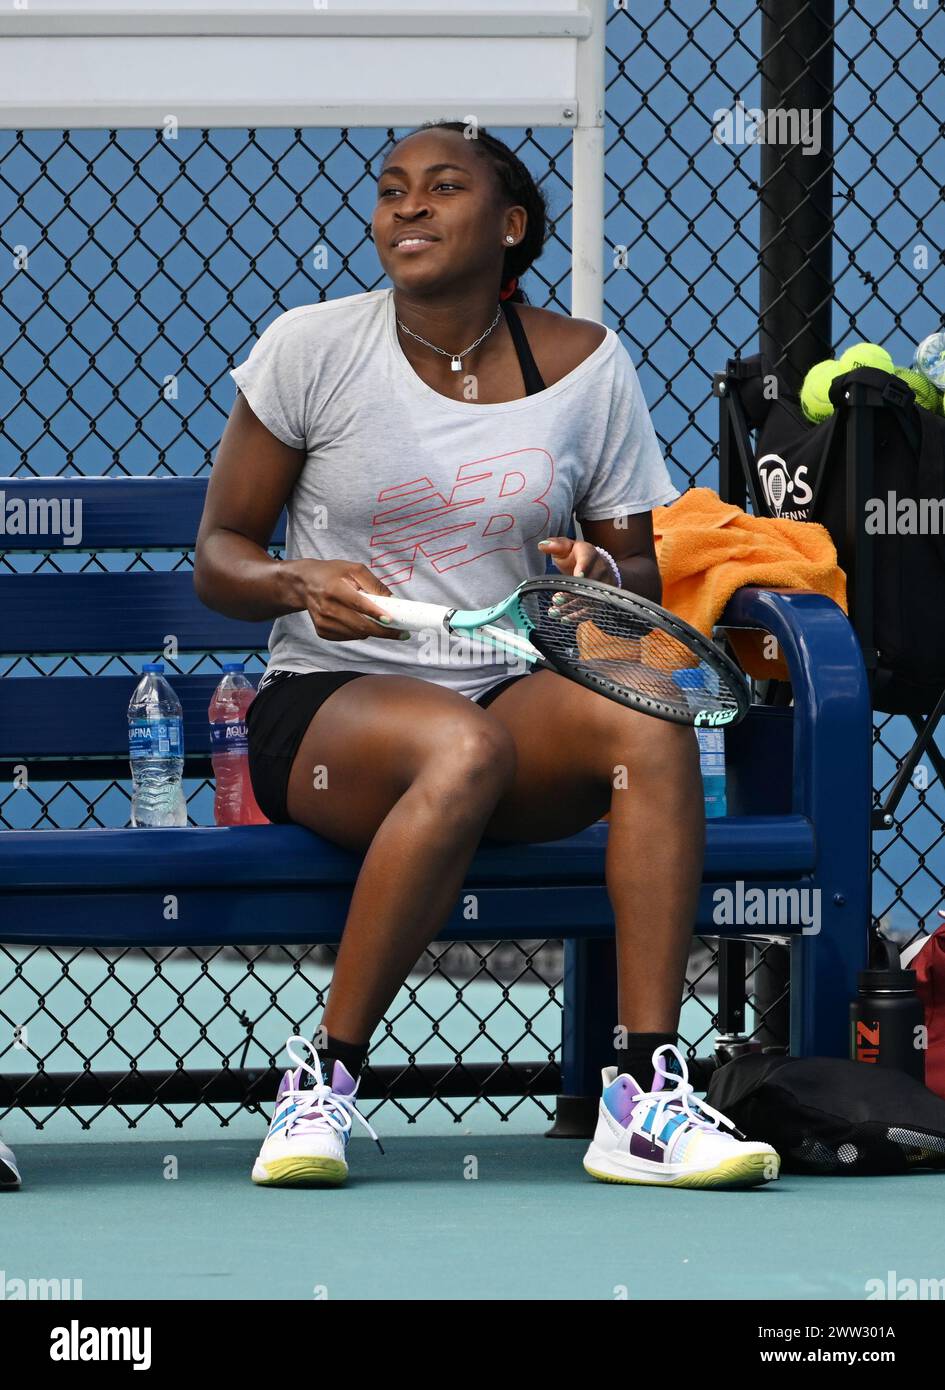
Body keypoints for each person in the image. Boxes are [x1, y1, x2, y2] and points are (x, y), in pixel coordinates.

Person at [194, 121, 779, 1191]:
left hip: (510, 700)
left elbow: (637, 574)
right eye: (391, 189)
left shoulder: (590, 364)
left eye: (442, 187)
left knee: (651, 712)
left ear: (510, 227)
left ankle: (643, 1090)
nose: (406, 207)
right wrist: (300, 581)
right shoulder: (312, 348)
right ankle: (322, 1075)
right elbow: (218, 558)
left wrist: (590, 569)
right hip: (327, 707)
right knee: (456, 749)